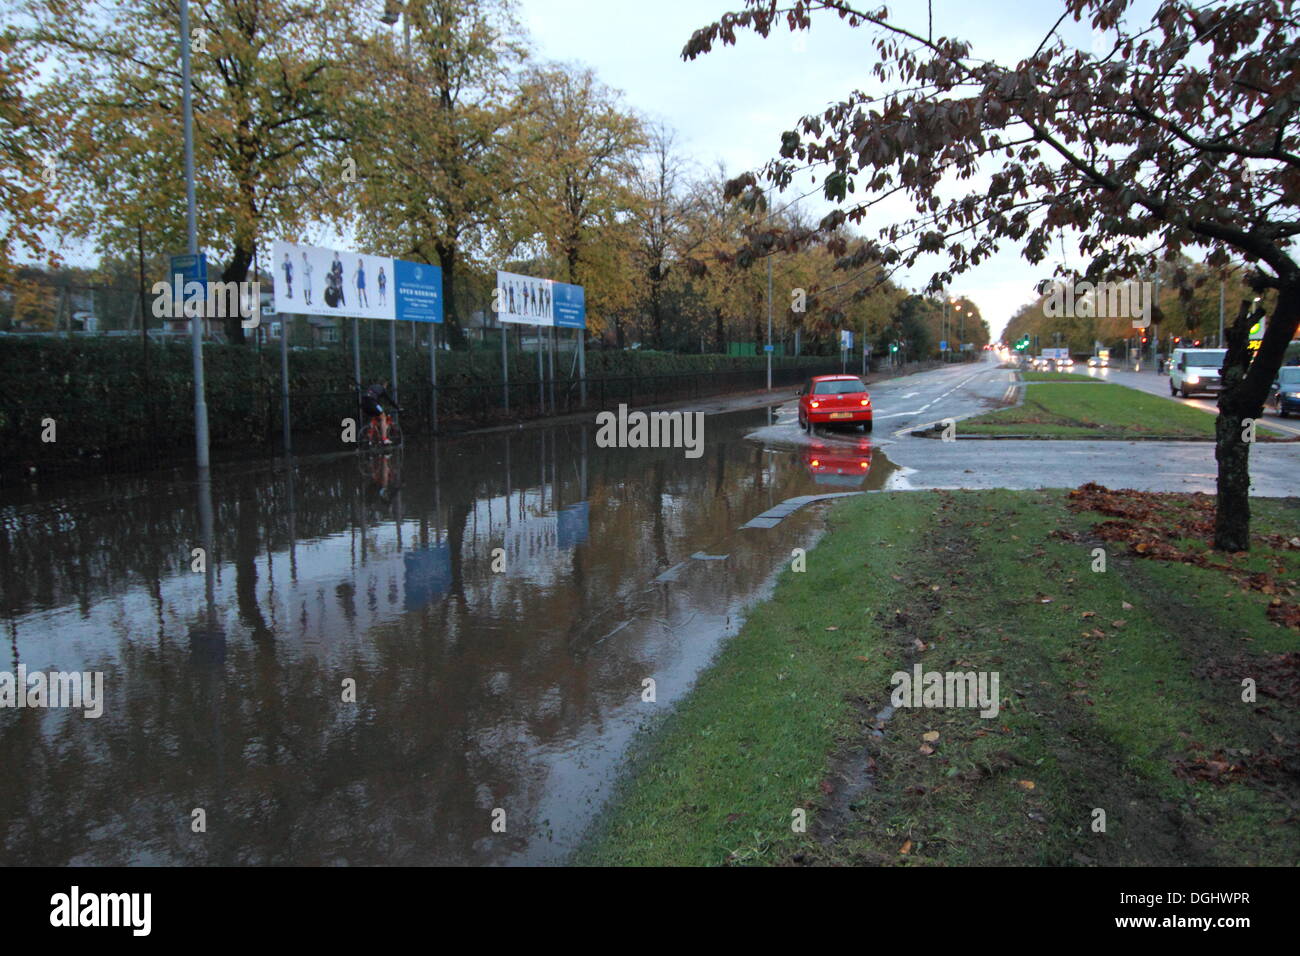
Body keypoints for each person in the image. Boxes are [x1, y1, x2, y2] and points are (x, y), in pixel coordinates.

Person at [360, 381, 401, 445]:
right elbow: (389, 400)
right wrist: (398, 408)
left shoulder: (372, 387)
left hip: (363, 403)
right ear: (385, 384)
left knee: (374, 415)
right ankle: (384, 439)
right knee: (383, 416)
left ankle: (370, 433)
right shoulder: (382, 389)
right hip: (372, 402)